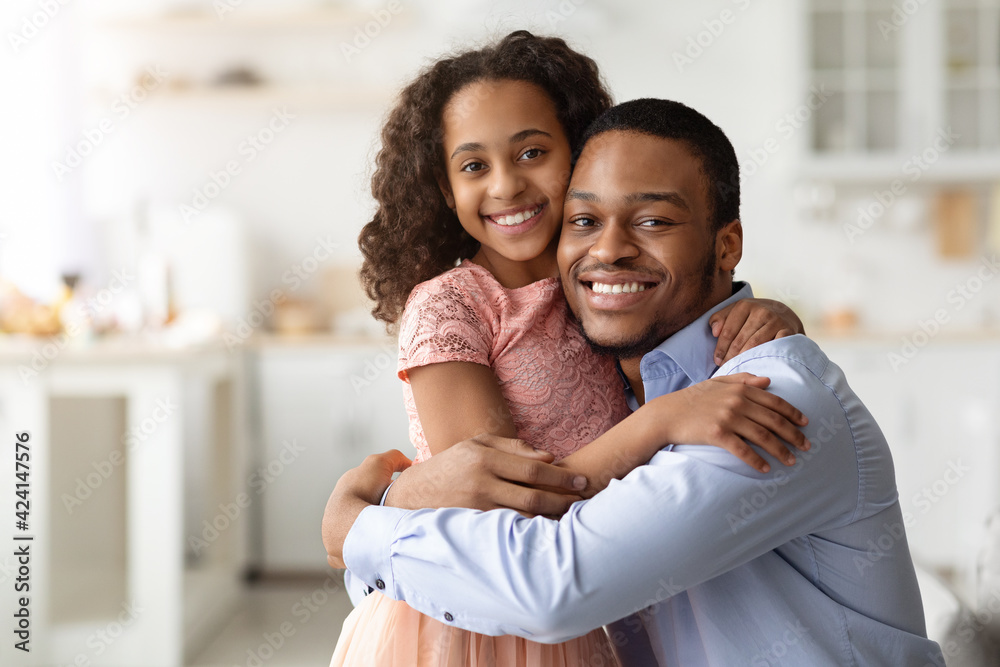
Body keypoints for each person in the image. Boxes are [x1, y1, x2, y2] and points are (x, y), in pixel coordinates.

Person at [323, 98, 946, 666]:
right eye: (585, 219)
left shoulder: (761, 402)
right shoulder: (622, 387)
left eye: (652, 221)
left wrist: (357, 527)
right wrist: (396, 503)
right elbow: (490, 501)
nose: (610, 250)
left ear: (727, 244)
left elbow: (549, 587)